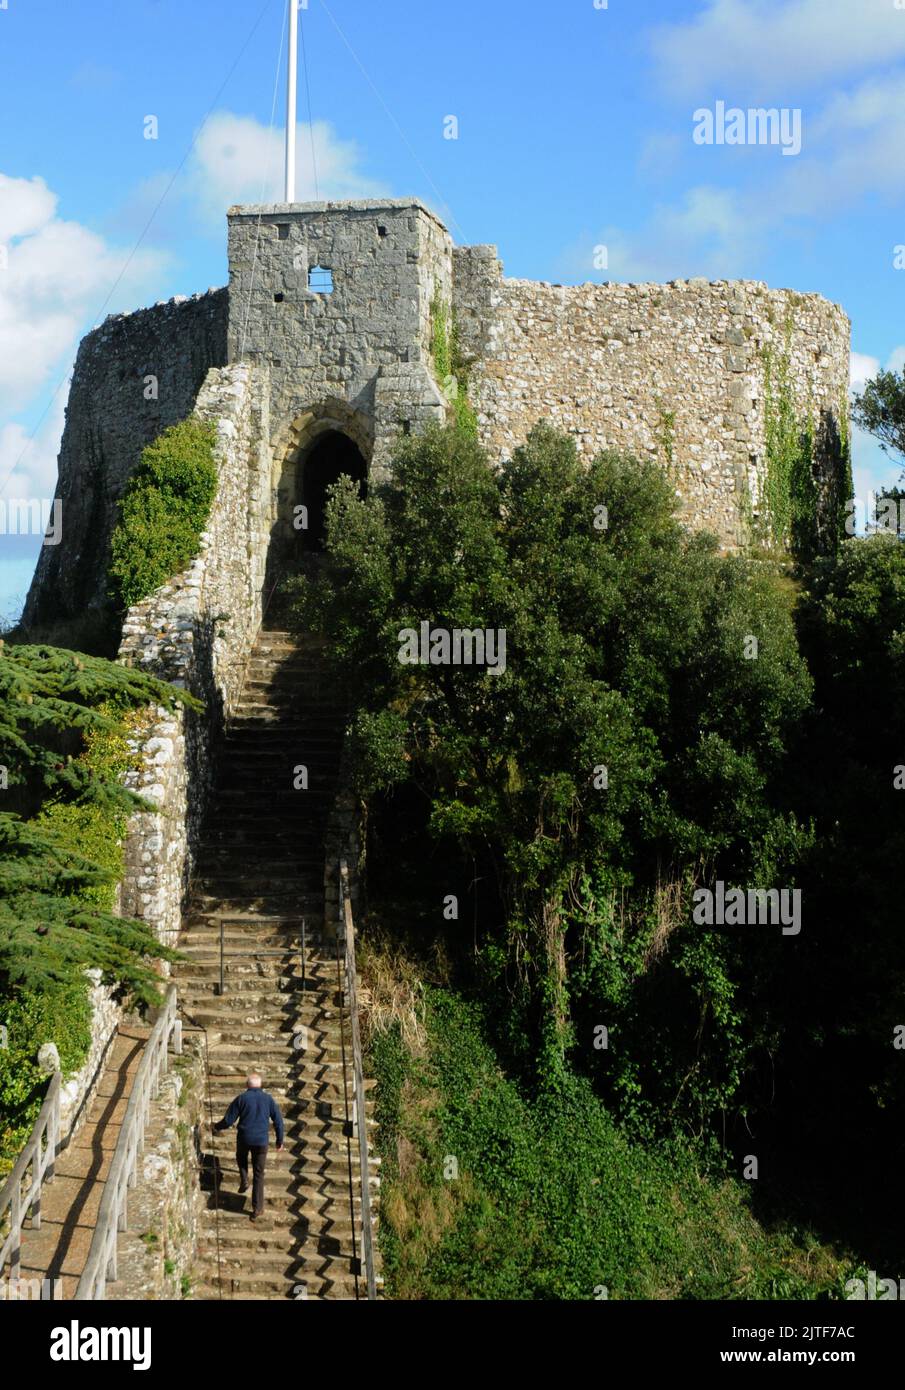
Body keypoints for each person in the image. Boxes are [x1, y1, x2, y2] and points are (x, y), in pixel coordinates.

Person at [214, 1072, 284, 1221]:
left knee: (241, 1156)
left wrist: (216, 1127)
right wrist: (279, 1140)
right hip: (261, 1141)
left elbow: (228, 1120)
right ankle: (257, 1209)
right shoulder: (268, 1099)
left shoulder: (241, 1098)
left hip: (244, 1138)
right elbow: (278, 1121)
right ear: (261, 1085)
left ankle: (244, 1178)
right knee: (259, 1174)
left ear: (247, 1085)